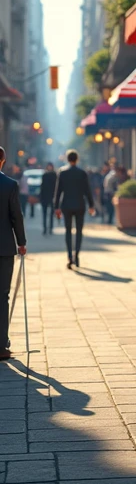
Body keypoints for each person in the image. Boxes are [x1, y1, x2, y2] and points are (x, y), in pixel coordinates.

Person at [0, 146, 27, 359]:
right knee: (2, 296)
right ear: (3, 161)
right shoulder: (9, 185)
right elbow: (16, 216)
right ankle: (1, 345)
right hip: (4, 248)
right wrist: (22, 242)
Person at [54, 150, 95, 270]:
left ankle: (69, 257)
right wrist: (91, 205)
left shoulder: (62, 172)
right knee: (79, 231)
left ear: (67, 159)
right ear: (77, 159)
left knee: (68, 231)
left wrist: (56, 207)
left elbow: (58, 191)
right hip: (80, 205)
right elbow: (87, 191)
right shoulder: (82, 173)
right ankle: (76, 255)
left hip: (66, 205)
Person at [40, 163, 57, 235]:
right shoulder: (44, 175)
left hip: (52, 197)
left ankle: (50, 228)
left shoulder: (55, 175)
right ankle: (44, 228)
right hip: (45, 197)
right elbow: (42, 186)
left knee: (51, 214)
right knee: (44, 213)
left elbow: (56, 187)